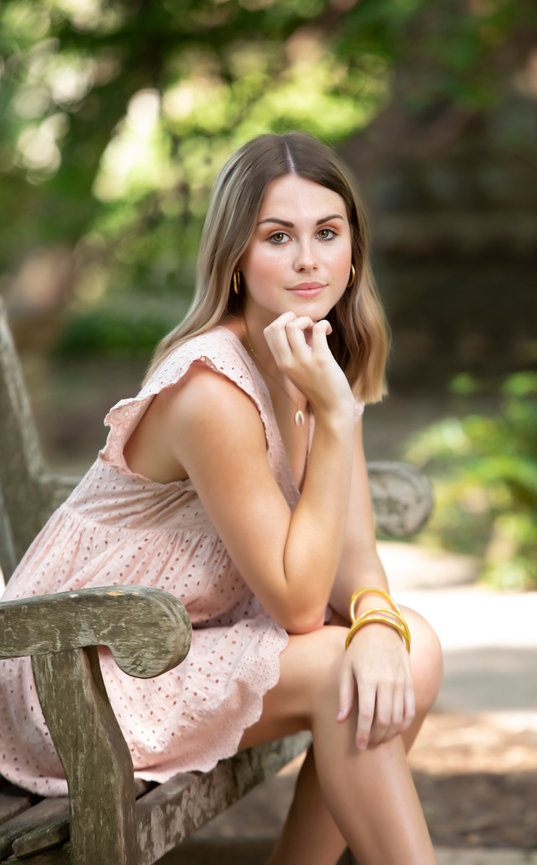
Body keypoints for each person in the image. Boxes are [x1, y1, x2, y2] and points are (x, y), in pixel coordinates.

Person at [0, 131, 443, 864]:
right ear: (236, 256)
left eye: (327, 233)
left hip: (171, 644)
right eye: (278, 237)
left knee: (409, 647)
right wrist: (335, 420)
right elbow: (301, 606)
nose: (308, 259)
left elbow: (356, 562)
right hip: (75, 669)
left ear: (353, 250)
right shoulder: (211, 387)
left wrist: (374, 622)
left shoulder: (317, 359)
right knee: (344, 669)